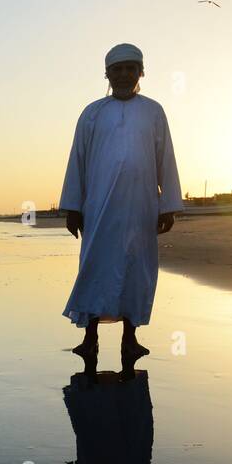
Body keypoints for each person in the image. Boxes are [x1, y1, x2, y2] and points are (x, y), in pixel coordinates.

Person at [60, 43, 182, 362]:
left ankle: (131, 338)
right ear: (107, 74)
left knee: (137, 269)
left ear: (141, 72)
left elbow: (165, 157)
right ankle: (90, 337)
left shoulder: (153, 111)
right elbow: (78, 160)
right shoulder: (92, 113)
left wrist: (167, 203)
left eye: (131, 68)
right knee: (94, 266)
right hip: (98, 208)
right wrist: (73, 207)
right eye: (118, 69)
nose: (125, 74)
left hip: (142, 206)